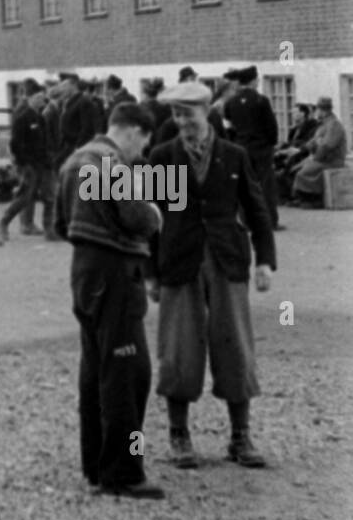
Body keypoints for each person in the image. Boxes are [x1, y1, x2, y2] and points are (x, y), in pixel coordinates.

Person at [148, 80, 276, 469]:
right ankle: (179, 436)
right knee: (179, 347)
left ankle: (241, 437)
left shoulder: (234, 156)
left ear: (207, 111)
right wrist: (151, 273)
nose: (181, 121)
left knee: (235, 344)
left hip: (226, 259)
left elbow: (257, 210)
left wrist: (265, 261)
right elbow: (152, 219)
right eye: (175, 113)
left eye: (188, 112)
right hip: (179, 259)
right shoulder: (163, 157)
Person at [57, 103, 163, 498]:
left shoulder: (74, 161)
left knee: (96, 367)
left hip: (83, 271)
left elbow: (58, 222)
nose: (143, 150)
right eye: (145, 140)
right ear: (133, 130)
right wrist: (155, 214)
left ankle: (96, 465)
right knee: (128, 372)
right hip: (117, 274)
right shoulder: (113, 164)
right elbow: (137, 217)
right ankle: (123, 471)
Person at [222, 66, 281, 230]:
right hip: (261, 148)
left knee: (245, 186)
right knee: (266, 185)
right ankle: (269, 220)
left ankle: (247, 220)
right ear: (253, 81)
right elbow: (271, 127)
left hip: (242, 147)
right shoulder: (261, 100)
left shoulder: (231, 102)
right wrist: (271, 143)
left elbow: (228, 126)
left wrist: (236, 141)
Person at [0, 80, 54, 240]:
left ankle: (49, 229)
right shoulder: (22, 118)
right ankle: (4, 221)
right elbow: (15, 144)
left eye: (42, 97)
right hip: (29, 164)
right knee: (25, 197)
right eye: (37, 97)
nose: (41, 100)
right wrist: (24, 162)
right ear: (29, 98)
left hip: (43, 163)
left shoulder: (40, 118)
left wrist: (48, 159)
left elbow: (44, 141)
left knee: (50, 196)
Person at [291, 97, 347, 208]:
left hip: (332, 160)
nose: (317, 113)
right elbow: (313, 141)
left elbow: (327, 146)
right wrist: (303, 149)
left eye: (318, 110)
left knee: (303, 173)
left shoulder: (334, 125)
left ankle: (313, 199)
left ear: (323, 111)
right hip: (322, 157)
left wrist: (315, 157)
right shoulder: (324, 125)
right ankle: (301, 197)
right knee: (295, 167)